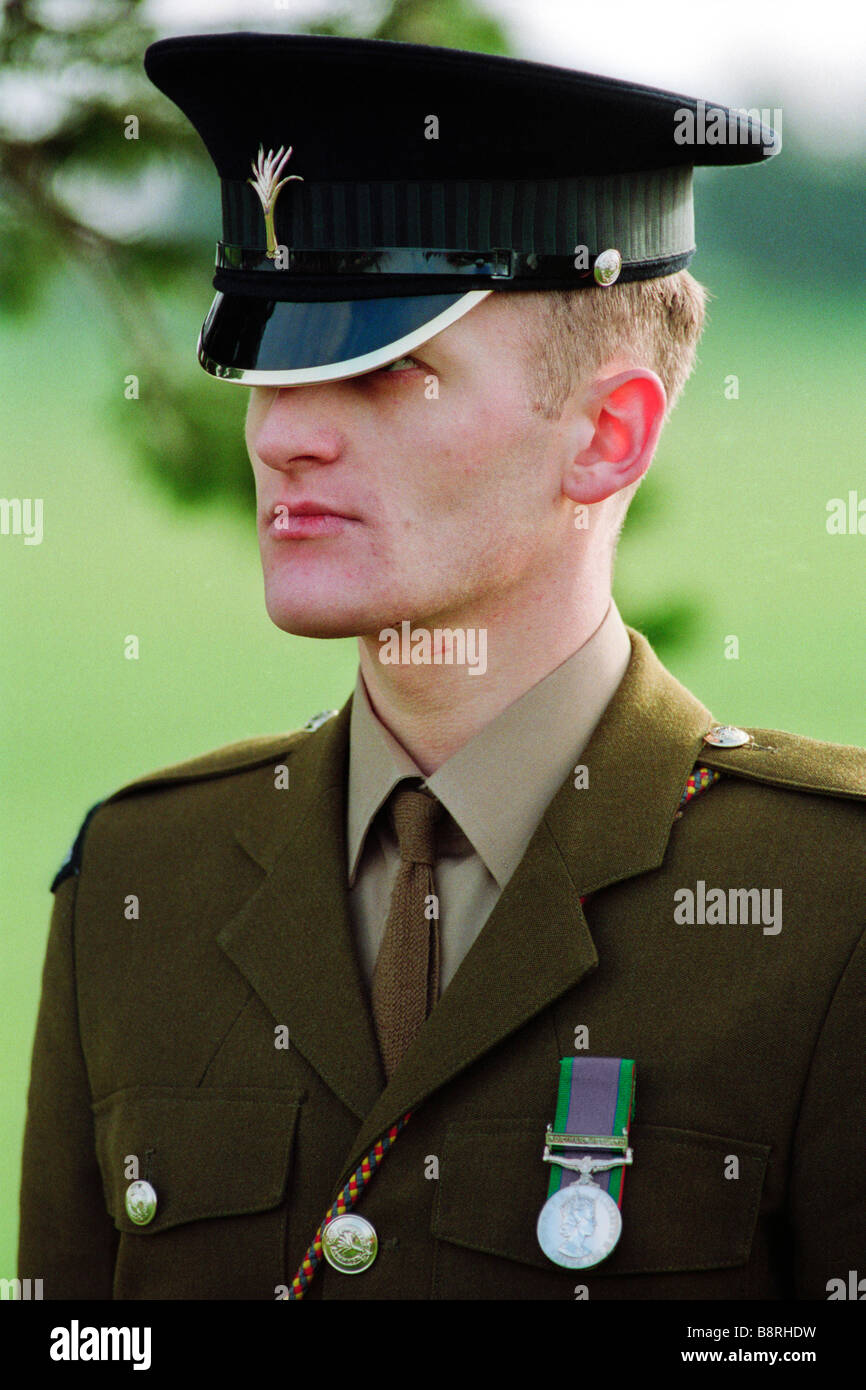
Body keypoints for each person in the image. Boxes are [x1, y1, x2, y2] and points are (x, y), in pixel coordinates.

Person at [18, 31, 865, 1302]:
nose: (284, 432)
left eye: (384, 370)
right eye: (270, 360)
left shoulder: (828, 901)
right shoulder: (137, 883)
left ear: (604, 435)